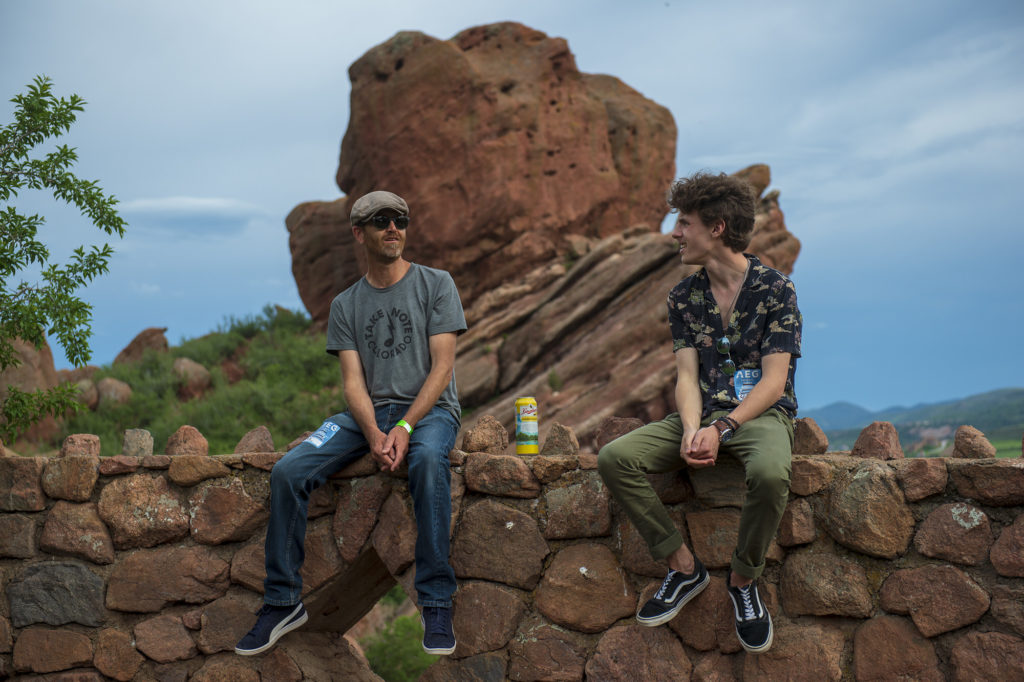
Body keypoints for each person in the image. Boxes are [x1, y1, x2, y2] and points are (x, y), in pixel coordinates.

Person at [235, 190, 466, 656]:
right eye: (381, 221)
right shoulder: (346, 305)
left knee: (425, 462)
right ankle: (282, 602)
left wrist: (402, 428)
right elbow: (353, 384)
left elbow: (442, 370)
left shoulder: (436, 284)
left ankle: (436, 603)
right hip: (366, 416)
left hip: (431, 412)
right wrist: (375, 432)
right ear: (359, 233)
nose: (393, 228)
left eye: (400, 218)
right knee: (288, 471)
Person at [598, 171, 802, 654]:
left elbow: (774, 383)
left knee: (772, 474)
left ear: (717, 227)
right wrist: (693, 429)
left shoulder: (777, 290)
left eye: (684, 222)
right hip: (702, 412)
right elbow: (686, 376)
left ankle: (743, 580)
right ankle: (683, 567)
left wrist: (725, 426)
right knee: (613, 458)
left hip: (759, 417)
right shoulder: (683, 297)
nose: (674, 234)